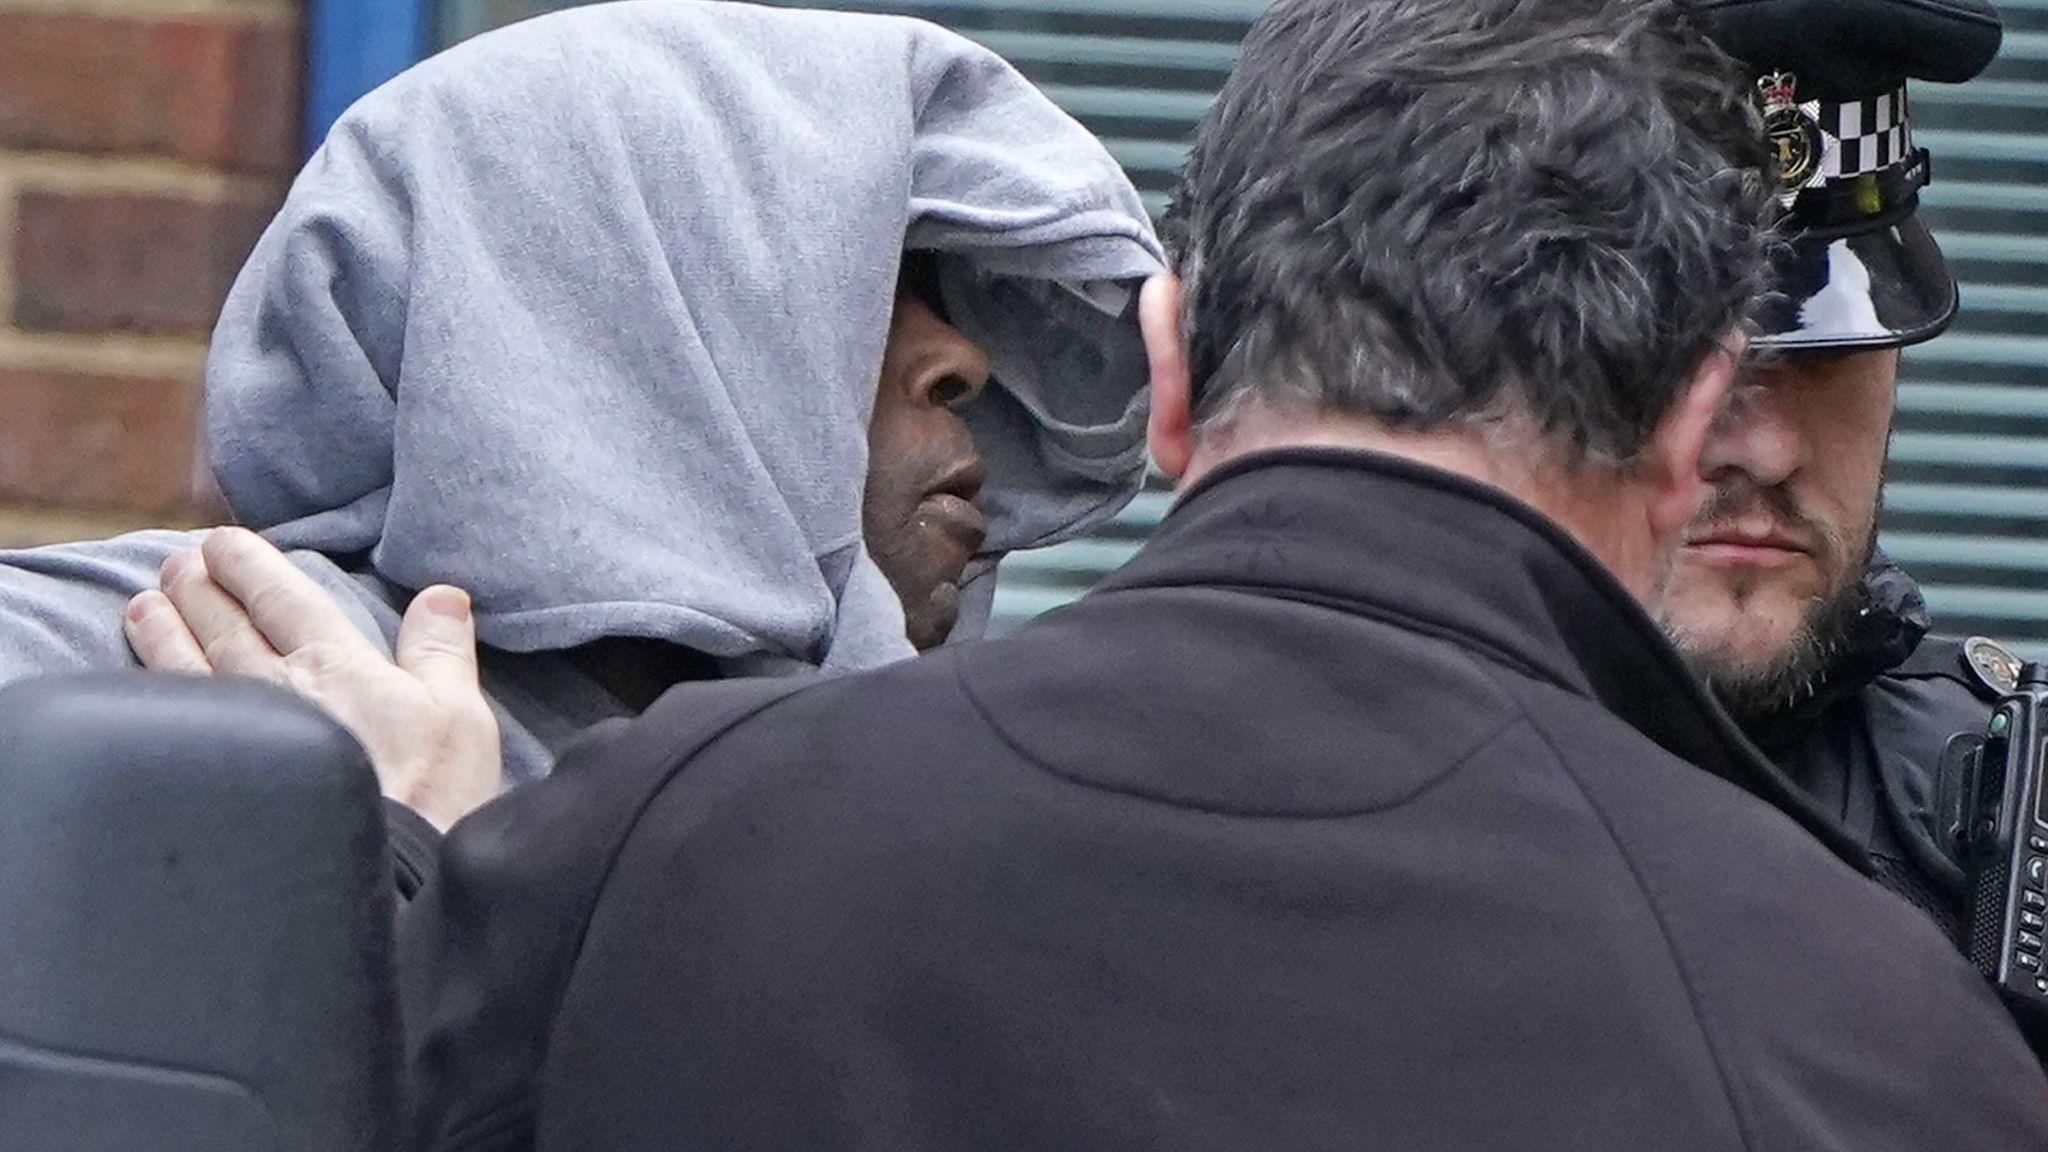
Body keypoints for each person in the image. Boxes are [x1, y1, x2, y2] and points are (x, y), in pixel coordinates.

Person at [133, 0, 2048, 1144]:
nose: (1768, 451)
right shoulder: (1877, 1040)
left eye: (1837, 366)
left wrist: (457, 914)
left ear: (1168, 371)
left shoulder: (661, 856)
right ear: (1670, 401)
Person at [0, 0, 1163, 800]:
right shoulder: (108, 675)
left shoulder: (939, 813)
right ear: (602, 307)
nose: (961, 359)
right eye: (870, 282)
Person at [1658, 0, 2008, 941]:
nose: (1765, 447)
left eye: (1829, 357)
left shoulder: (2003, 824)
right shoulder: (1325, 780)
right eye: (1692, 354)